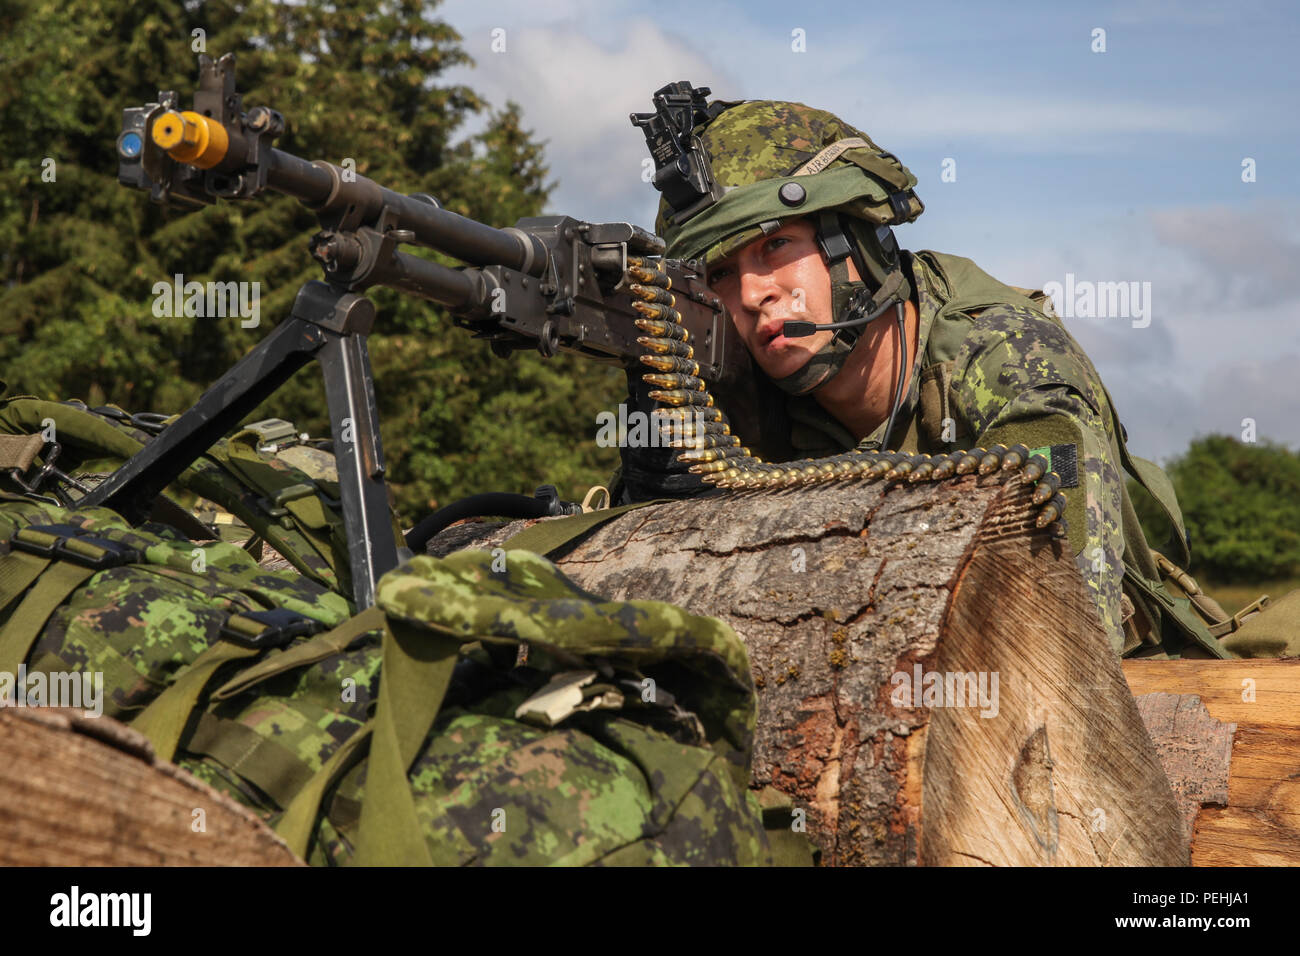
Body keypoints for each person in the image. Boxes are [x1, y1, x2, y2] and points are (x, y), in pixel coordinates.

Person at [614, 89, 1239, 660]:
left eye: (774, 246)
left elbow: (1067, 628)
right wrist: (656, 505)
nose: (752, 293)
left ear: (859, 240)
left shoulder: (1007, 359)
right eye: (719, 274)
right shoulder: (740, 397)